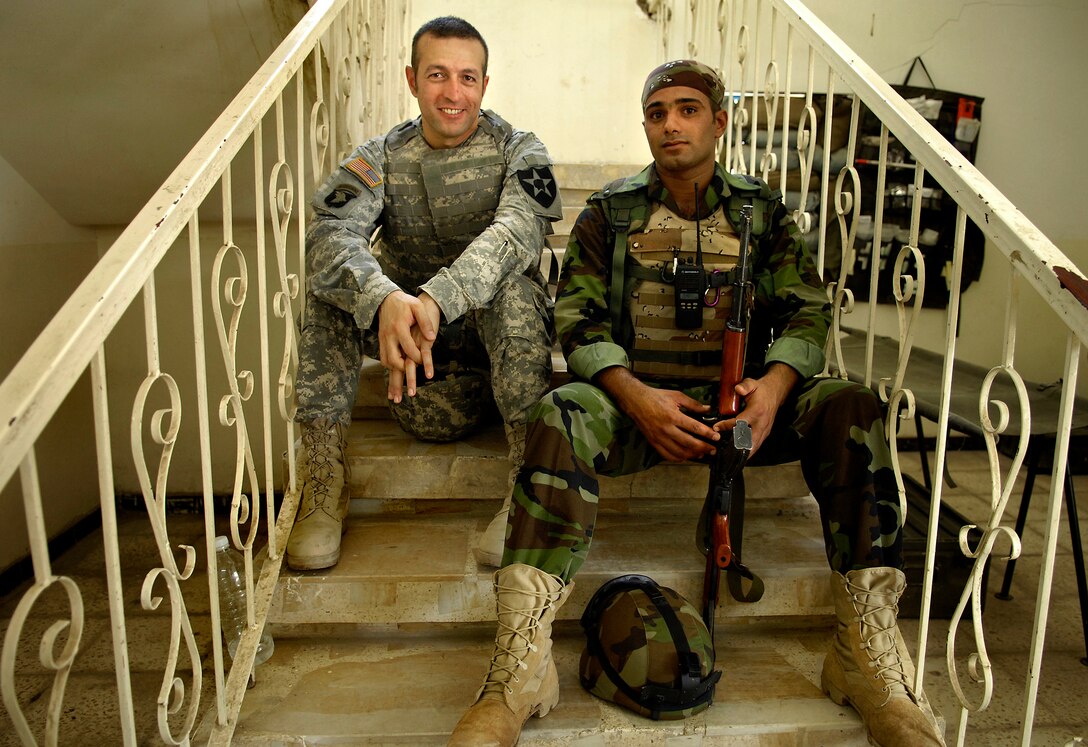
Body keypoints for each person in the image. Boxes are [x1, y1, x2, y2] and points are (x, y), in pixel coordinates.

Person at [447, 60, 945, 747]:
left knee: (851, 404)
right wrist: (638, 397)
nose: (670, 124)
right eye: (657, 112)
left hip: (745, 415)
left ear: (719, 120)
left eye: (686, 109)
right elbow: (580, 323)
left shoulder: (760, 212)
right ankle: (518, 668)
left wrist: (772, 390)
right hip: (636, 409)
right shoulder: (610, 213)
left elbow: (807, 311)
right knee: (559, 411)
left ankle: (867, 655)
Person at [288, 16, 561, 571]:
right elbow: (329, 234)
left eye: (467, 77)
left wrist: (434, 300)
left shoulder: (520, 151)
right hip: (414, 353)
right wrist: (384, 298)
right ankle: (323, 483)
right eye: (438, 75)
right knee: (329, 291)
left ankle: (527, 490)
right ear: (412, 80)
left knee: (512, 291)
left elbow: (518, 232)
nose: (453, 92)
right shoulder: (380, 157)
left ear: (485, 85)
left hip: (496, 345)